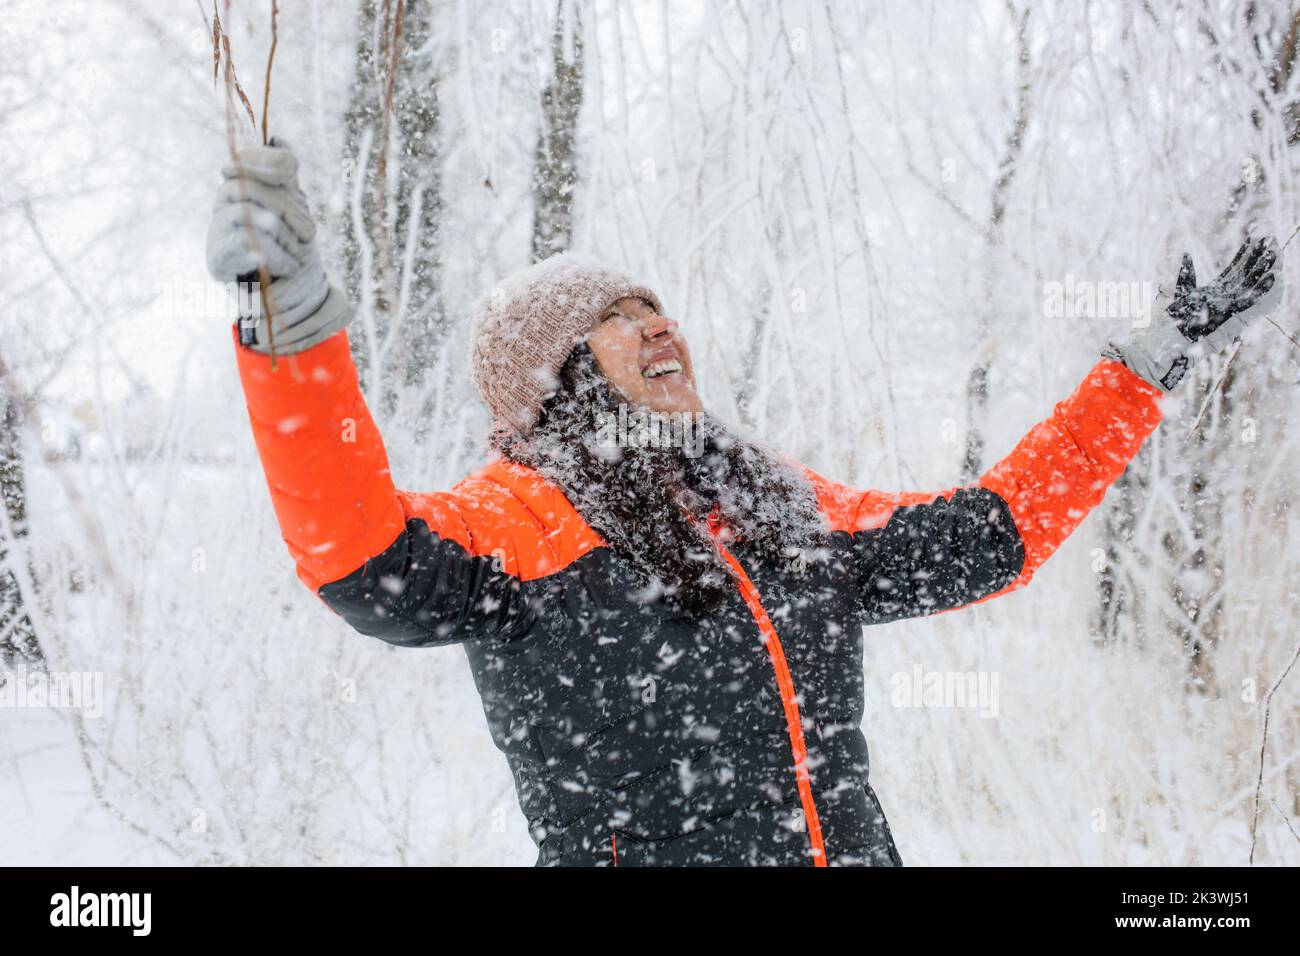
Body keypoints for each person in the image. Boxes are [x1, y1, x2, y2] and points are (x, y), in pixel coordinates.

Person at [207, 142, 1282, 866]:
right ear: (555, 374)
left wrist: (1148, 365)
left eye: (657, 304)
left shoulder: (777, 507)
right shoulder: (520, 518)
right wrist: (292, 334)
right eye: (617, 317)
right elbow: (359, 555)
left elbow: (996, 531)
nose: (658, 324)